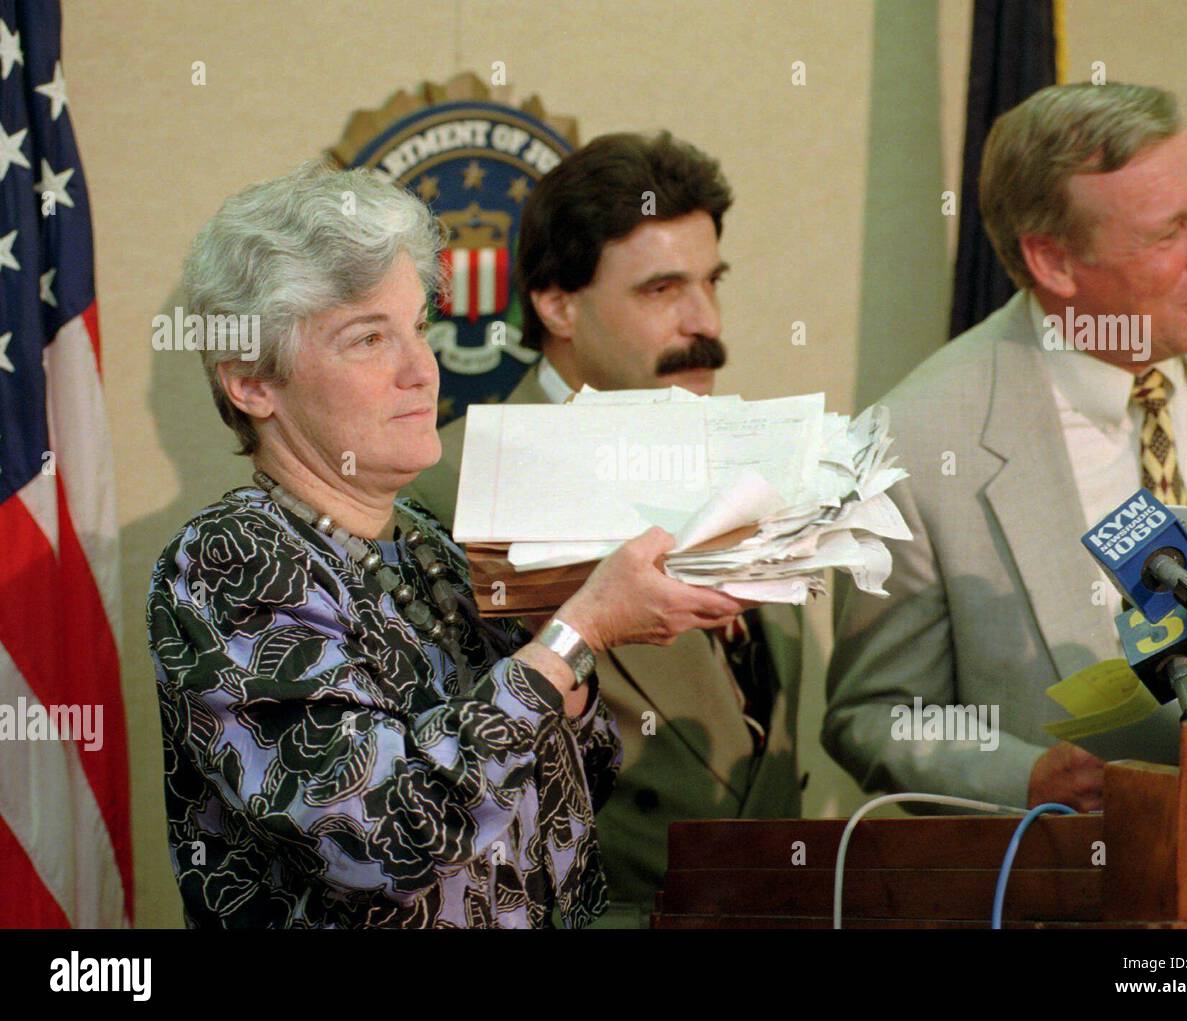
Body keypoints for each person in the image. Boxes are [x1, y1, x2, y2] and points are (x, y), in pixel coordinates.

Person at [147, 160, 750, 928]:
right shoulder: (230, 561)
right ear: (251, 383)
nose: (420, 369)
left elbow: (584, 783)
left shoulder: (434, 544)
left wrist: (558, 645)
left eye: (417, 329)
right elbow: (381, 841)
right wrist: (577, 632)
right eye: (368, 338)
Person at [823, 83, 1187, 812]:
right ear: (1054, 261)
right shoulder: (913, 444)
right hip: (1095, 880)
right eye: (1169, 234)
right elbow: (877, 712)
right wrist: (1022, 778)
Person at [406, 131, 804, 926]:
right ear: (558, 303)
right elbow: (442, 788)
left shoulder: (749, 455)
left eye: (710, 282)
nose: (704, 321)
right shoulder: (458, 487)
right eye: (661, 290)